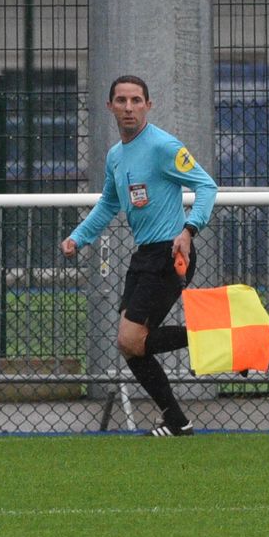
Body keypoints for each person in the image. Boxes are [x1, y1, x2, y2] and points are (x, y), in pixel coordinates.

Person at [62, 75, 218, 437]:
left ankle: (215, 336)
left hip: (170, 253)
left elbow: (206, 186)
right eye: (121, 101)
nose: (129, 107)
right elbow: (109, 203)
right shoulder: (116, 156)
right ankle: (177, 421)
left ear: (149, 105)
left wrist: (188, 230)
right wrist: (78, 237)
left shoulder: (163, 146)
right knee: (131, 346)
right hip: (144, 256)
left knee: (130, 340)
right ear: (110, 106)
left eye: (136, 100)